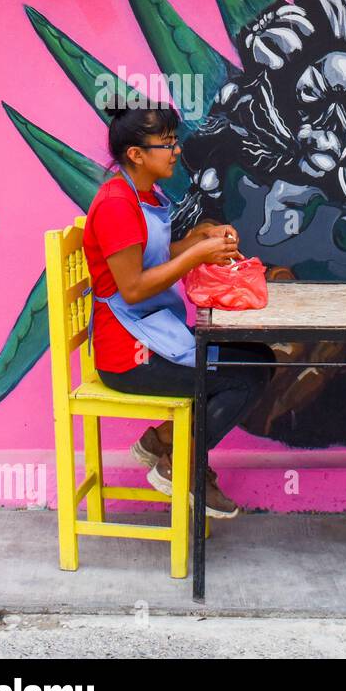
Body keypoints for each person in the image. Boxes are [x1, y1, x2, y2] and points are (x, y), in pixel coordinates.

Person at [83, 101, 275, 518]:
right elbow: (132, 287)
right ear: (136, 154)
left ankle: (164, 441)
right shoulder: (117, 204)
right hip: (130, 355)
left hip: (156, 335)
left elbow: (151, 258)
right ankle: (181, 467)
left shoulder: (143, 194)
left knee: (259, 357)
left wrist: (195, 241)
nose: (175, 151)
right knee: (242, 380)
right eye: (167, 143)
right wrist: (197, 255)